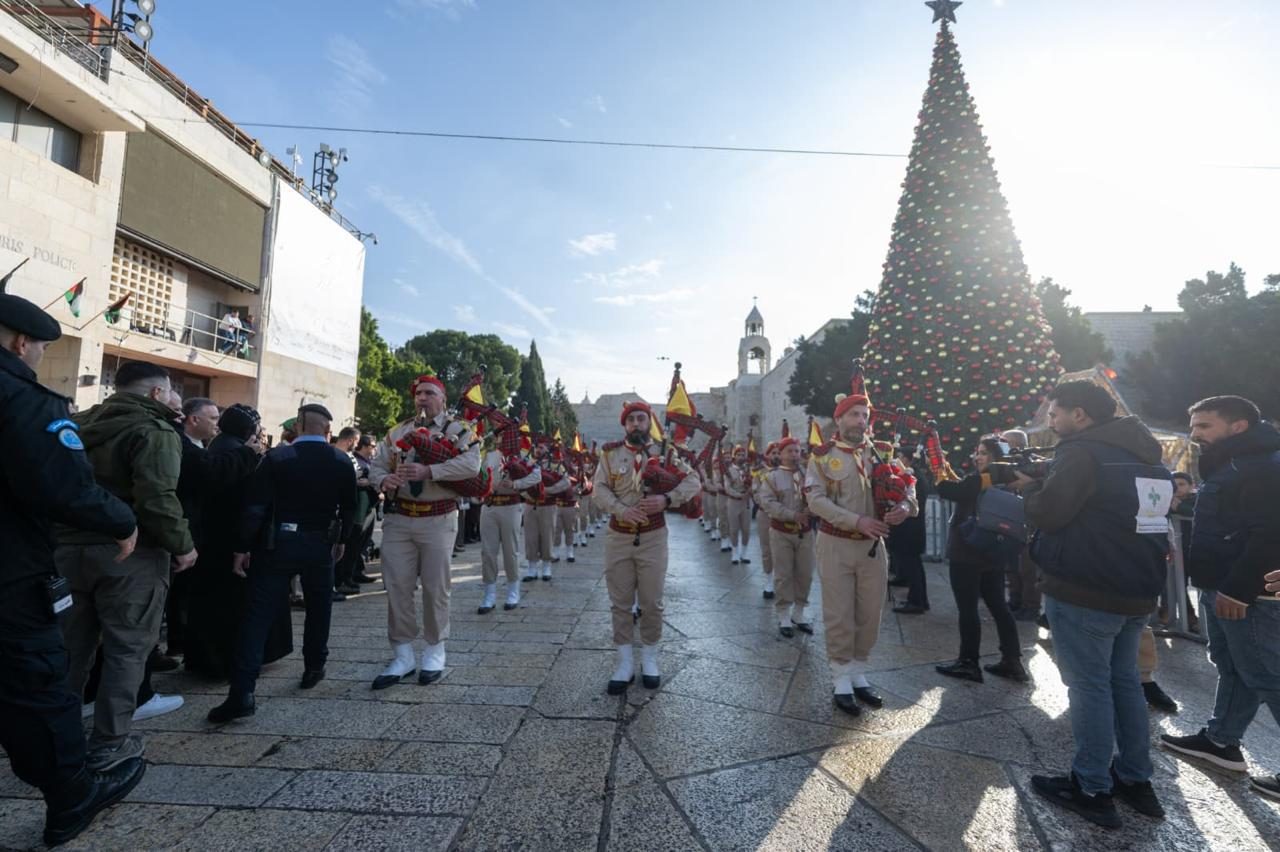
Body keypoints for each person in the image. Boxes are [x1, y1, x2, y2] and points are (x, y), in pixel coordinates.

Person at [0, 292, 148, 847]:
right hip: (11, 569)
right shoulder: (23, 398)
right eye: (40, 347)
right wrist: (121, 520)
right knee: (35, 682)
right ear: (22, 343)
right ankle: (72, 792)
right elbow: (61, 484)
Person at [1016, 380, 1172, 828]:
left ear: (1079, 414)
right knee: (1125, 683)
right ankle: (1135, 778)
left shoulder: (1082, 451)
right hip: (1137, 588)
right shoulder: (1148, 456)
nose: (1051, 421)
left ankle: (1091, 787)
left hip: (1086, 588)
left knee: (1089, 687)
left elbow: (1049, 513)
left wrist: (1028, 491)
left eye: (1054, 413)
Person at [54, 361, 197, 773]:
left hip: (68, 549)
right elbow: (157, 498)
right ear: (155, 393)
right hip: (131, 554)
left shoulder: (73, 426)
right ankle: (109, 741)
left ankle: (56, 734)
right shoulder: (154, 431)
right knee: (127, 649)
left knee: (69, 649)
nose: (172, 400)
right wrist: (183, 546)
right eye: (169, 392)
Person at [1159, 395, 1280, 802]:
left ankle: (1221, 739)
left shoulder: (1262, 466)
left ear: (1237, 426)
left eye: (1204, 426)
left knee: (1267, 674)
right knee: (1234, 666)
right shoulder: (1234, 463)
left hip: (1247, 594)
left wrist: (1238, 590)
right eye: (1193, 426)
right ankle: (1221, 741)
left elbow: (1270, 534)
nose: (1194, 435)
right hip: (1222, 586)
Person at [208, 404, 357, 721]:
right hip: (320, 544)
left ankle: (242, 692)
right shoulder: (341, 460)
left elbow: (255, 507)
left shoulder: (277, 457)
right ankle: (314, 666)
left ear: (298, 426)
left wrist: (242, 546)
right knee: (319, 607)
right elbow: (349, 507)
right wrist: (342, 539)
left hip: (277, 544)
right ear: (328, 431)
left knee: (257, 617)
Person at [805, 369, 916, 716]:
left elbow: (908, 487)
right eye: (854, 414)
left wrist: (904, 507)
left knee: (870, 612)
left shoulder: (883, 452)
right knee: (839, 612)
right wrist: (857, 520)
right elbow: (815, 500)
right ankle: (840, 677)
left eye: (865, 415)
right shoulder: (823, 456)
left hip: (872, 549)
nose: (861, 420)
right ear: (839, 419)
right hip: (836, 543)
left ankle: (858, 672)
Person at [369, 375, 480, 689]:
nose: (422, 398)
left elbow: (472, 465)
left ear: (442, 399)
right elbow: (377, 466)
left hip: (438, 517)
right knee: (396, 586)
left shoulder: (459, 430)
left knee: (435, 587)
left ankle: (435, 649)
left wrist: (430, 471)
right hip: (399, 518)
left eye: (430, 393)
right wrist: (383, 480)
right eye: (418, 393)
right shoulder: (397, 432)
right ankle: (402, 654)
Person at [593, 401, 700, 693]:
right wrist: (621, 509)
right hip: (619, 536)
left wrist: (667, 499)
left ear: (649, 422)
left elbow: (694, 481)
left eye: (642, 419)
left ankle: (650, 658)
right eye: (631, 420)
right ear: (625, 425)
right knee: (620, 602)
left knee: (652, 601)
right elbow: (598, 489)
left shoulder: (666, 453)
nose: (637, 424)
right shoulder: (610, 454)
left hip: (653, 536)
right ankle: (625, 663)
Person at [183, 405, 289, 679]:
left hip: (212, 540)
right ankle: (231, 661)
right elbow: (248, 503)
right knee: (235, 607)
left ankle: (207, 659)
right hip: (234, 542)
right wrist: (246, 542)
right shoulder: (241, 455)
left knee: (210, 605)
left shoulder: (217, 449)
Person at [931, 438, 1027, 683]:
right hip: (993, 552)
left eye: (983, 453)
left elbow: (948, 490)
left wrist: (936, 467)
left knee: (968, 608)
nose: (977, 457)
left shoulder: (982, 479)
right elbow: (960, 486)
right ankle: (1012, 660)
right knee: (999, 606)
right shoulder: (1006, 478)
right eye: (977, 452)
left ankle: (968, 662)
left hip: (967, 551)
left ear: (995, 456)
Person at [758, 436, 815, 638]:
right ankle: (783, 614)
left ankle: (799, 613)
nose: (794, 455)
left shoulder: (809, 475)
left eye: (797, 451)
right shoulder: (771, 477)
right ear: (781, 454)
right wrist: (792, 515)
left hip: (805, 533)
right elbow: (768, 502)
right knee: (783, 574)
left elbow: (819, 495)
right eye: (789, 451)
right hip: (781, 531)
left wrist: (814, 507)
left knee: (805, 573)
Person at [479, 439, 542, 613]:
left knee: (510, 550)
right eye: (500, 435)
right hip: (489, 505)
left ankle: (513, 591)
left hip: (511, 505)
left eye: (506, 433)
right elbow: (478, 473)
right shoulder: (489, 455)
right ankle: (489, 594)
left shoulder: (522, 456)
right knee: (488, 552)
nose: (502, 438)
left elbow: (537, 475)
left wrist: (516, 484)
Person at [889, 443, 931, 615]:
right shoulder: (912, 474)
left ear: (907, 459)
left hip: (910, 530)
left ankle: (916, 601)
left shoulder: (913, 477)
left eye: (899, 457)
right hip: (908, 530)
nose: (896, 460)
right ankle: (919, 598)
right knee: (912, 565)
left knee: (913, 566)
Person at [524, 442, 568, 580]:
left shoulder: (556, 466)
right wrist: (529, 493)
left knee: (547, 535)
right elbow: (520, 482)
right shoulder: (527, 464)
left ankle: (546, 567)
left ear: (547, 450)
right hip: (531, 504)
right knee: (530, 536)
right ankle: (532, 568)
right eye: (537, 447)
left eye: (542, 447)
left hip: (548, 506)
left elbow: (566, 483)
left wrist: (547, 490)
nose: (538, 449)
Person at [752, 442, 781, 599]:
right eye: (773, 453)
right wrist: (771, 507)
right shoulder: (759, 473)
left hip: (783, 516)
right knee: (767, 549)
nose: (776, 456)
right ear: (767, 455)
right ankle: (769, 580)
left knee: (783, 549)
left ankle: (780, 580)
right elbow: (756, 494)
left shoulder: (788, 472)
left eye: (778, 453)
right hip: (765, 514)